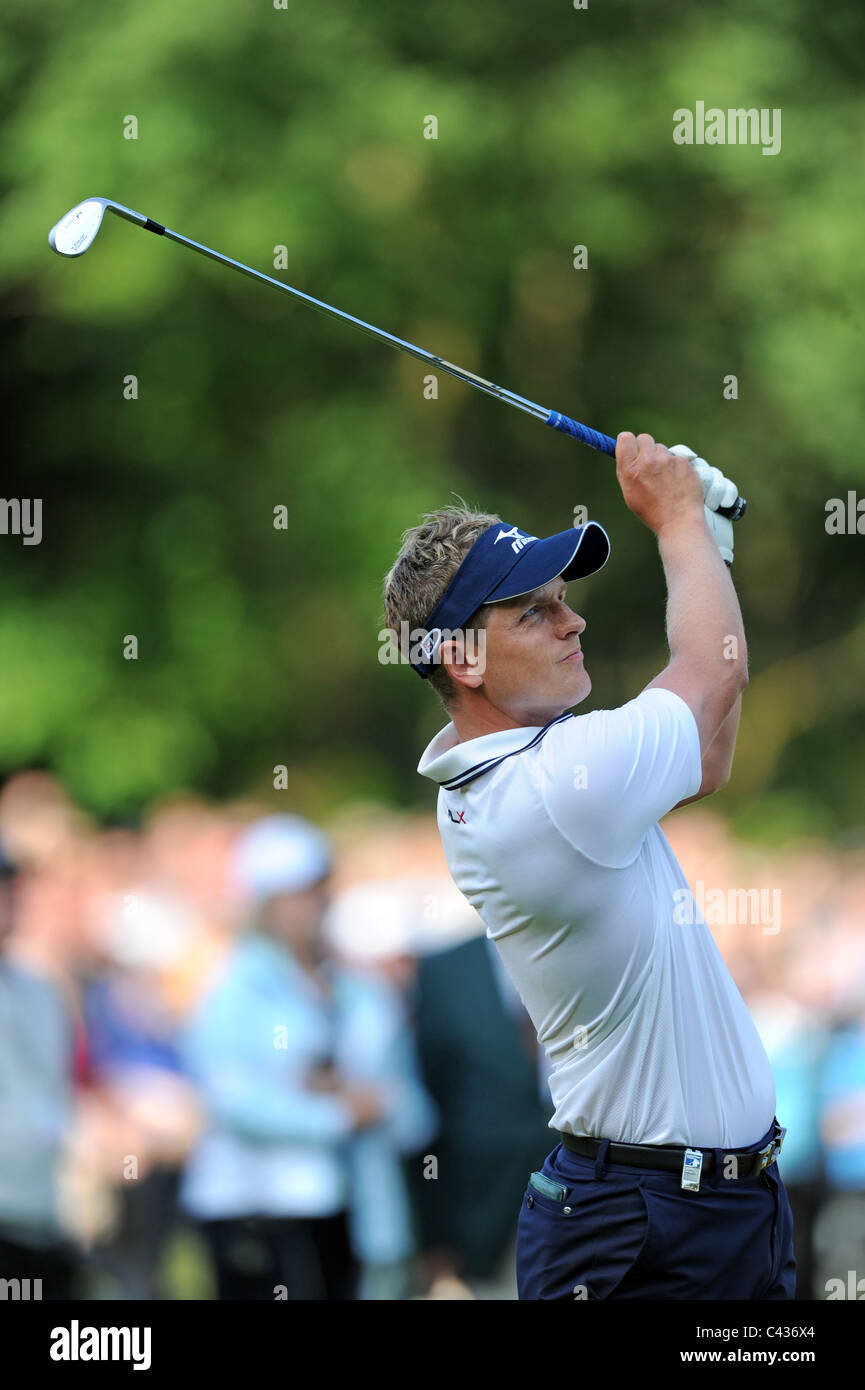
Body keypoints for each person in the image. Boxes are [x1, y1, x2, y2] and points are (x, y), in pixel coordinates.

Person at [382, 432, 796, 1300]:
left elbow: (707, 757)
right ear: (460, 657)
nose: (573, 620)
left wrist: (706, 543)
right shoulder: (555, 786)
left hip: (707, 1212)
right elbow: (710, 675)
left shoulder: (541, 770)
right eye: (533, 610)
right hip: (644, 1224)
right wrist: (679, 519)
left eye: (562, 598)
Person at [178, 814, 436, 1300]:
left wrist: (365, 1103)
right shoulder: (233, 989)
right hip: (261, 1213)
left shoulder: (362, 993)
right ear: (261, 905)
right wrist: (338, 1113)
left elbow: (412, 1114)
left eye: (316, 889)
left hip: (360, 1220)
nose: (310, 906)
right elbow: (232, 1102)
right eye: (292, 895)